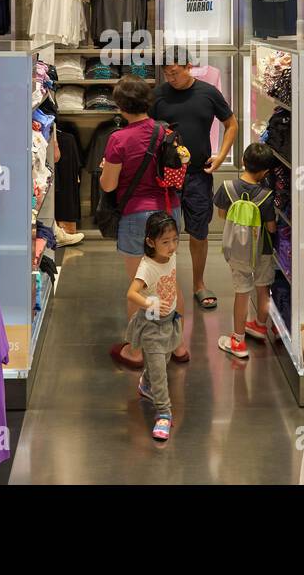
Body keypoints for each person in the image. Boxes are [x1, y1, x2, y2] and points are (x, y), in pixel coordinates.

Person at [100, 76, 188, 369]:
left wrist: (104, 171)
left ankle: (137, 352)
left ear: (121, 106)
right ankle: (178, 347)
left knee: (140, 286)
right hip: (169, 213)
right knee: (168, 281)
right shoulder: (166, 132)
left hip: (137, 216)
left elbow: (109, 185)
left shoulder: (118, 139)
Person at [152, 61, 237, 310]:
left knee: (199, 231)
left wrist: (221, 155)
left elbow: (231, 123)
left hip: (198, 174)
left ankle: (199, 284)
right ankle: (164, 284)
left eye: (175, 72)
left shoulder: (208, 93)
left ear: (188, 67)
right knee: (164, 231)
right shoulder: (158, 95)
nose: (171, 78)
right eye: (167, 74)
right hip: (166, 175)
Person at [213, 143, 278, 359]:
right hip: (264, 250)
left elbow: (222, 214)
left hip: (238, 250)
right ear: (265, 172)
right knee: (263, 287)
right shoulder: (267, 196)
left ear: (242, 161)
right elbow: (270, 227)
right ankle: (260, 325)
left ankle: (238, 341)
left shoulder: (227, 188)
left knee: (241, 293)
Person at [125, 212, 182, 442]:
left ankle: (146, 384)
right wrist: (150, 303)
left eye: (175, 240)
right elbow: (131, 293)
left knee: (162, 362)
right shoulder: (147, 267)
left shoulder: (172, 256)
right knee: (161, 371)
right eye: (165, 242)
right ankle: (164, 413)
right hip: (151, 326)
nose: (171, 247)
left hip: (169, 323)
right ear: (151, 242)